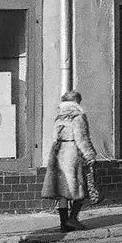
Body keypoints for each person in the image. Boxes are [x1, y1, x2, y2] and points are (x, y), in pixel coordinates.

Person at [41, 90, 98, 232]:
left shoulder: (59, 118)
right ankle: (73, 219)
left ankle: (63, 223)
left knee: (62, 190)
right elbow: (82, 138)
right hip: (72, 154)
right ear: (76, 102)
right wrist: (90, 155)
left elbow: (54, 138)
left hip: (58, 154)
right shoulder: (79, 117)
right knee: (80, 186)